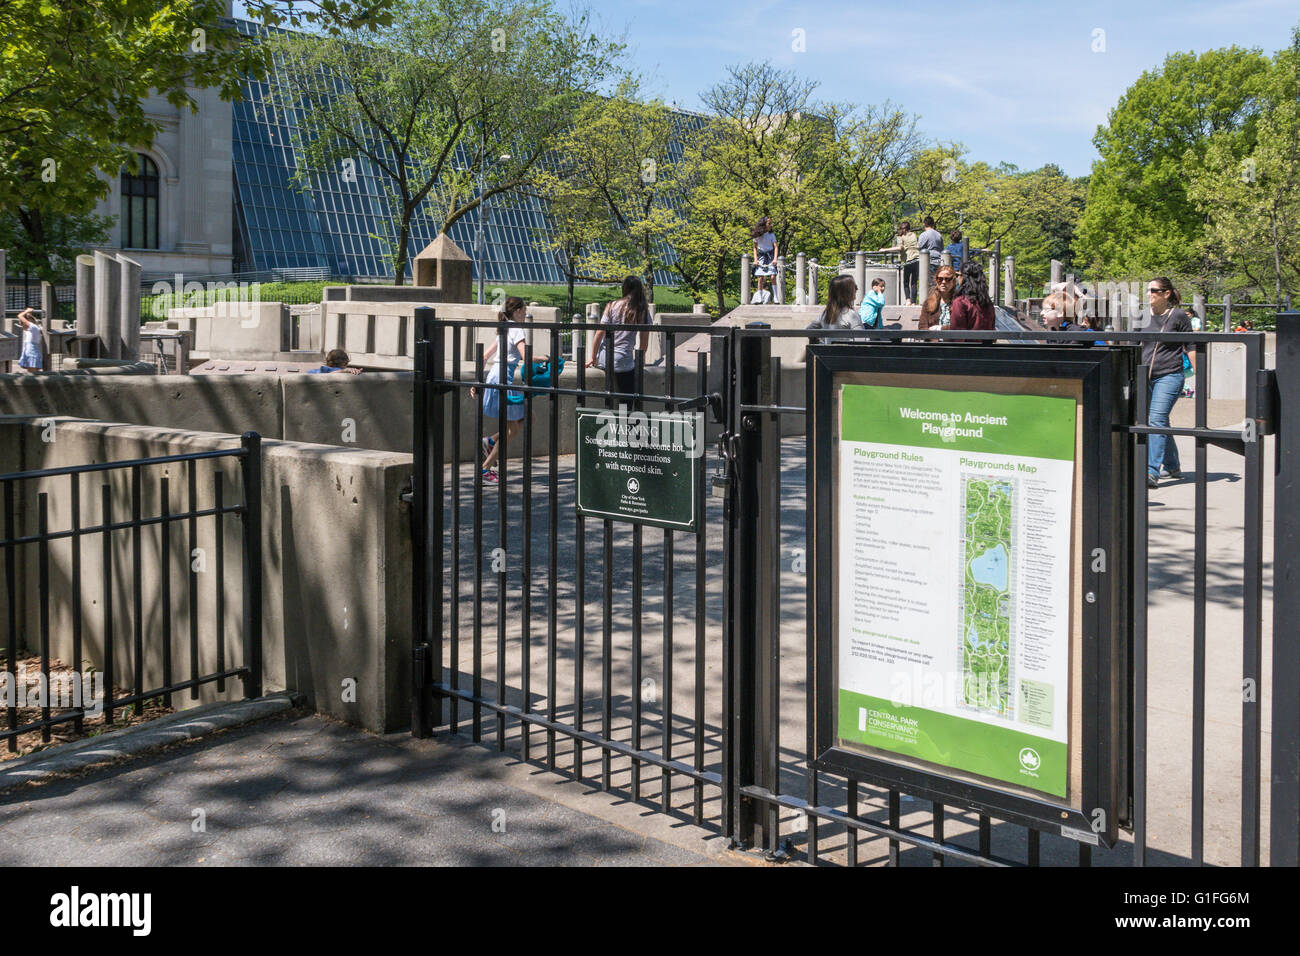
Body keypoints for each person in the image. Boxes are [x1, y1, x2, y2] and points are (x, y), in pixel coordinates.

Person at [1139, 277, 1195, 488]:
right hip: (1146, 376)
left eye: (1153, 290)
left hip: (1170, 375)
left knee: (1157, 419)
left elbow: (1191, 345)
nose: (1149, 294)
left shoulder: (1178, 316)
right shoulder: (1141, 316)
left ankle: (1151, 471)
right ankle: (1172, 465)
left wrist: (1200, 375)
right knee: (1160, 421)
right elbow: (1132, 345)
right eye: (1148, 290)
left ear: (1166, 293)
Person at [472, 296, 530, 483]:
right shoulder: (517, 329)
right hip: (504, 378)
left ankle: (490, 442)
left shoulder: (504, 328)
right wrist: (547, 359)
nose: (526, 314)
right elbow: (525, 357)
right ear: (518, 311)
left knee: (527, 417)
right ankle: (485, 469)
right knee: (512, 430)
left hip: (495, 376)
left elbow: (483, 356)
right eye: (525, 311)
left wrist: (477, 380)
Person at [587, 275, 651, 396]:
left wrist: (592, 357)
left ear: (625, 288)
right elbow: (644, 339)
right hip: (624, 361)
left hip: (605, 358)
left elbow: (600, 333)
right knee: (627, 398)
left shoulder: (612, 305)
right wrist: (641, 358)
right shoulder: (642, 310)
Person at [805, 274, 863, 344]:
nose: (857, 289)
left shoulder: (826, 315)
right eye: (854, 287)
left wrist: (821, 344)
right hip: (847, 354)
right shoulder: (852, 315)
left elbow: (809, 330)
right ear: (846, 292)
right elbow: (861, 340)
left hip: (828, 353)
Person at [948, 261, 996, 333]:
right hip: (986, 344)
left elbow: (957, 335)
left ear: (965, 278)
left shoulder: (960, 302)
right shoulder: (988, 303)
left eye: (959, 275)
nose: (958, 278)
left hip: (967, 343)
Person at [882, 222, 919, 304]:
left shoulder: (901, 237)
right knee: (914, 282)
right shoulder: (914, 235)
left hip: (908, 260)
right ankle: (913, 302)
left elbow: (899, 247)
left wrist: (885, 249)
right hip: (917, 259)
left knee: (906, 282)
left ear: (903, 229)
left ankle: (908, 300)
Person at [919, 265, 957, 331]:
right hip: (933, 340)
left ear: (953, 282)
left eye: (947, 279)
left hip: (953, 340)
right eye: (940, 279)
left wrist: (940, 328)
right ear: (936, 280)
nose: (943, 282)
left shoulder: (959, 302)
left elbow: (960, 327)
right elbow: (922, 327)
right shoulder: (928, 303)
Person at [751, 217, 778, 303]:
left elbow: (775, 247)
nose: (771, 225)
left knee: (773, 276)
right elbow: (755, 248)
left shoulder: (771, 235)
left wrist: (775, 259)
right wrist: (756, 259)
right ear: (764, 224)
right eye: (769, 223)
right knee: (760, 277)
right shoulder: (757, 236)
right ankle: (759, 296)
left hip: (770, 256)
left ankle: (776, 297)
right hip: (761, 256)